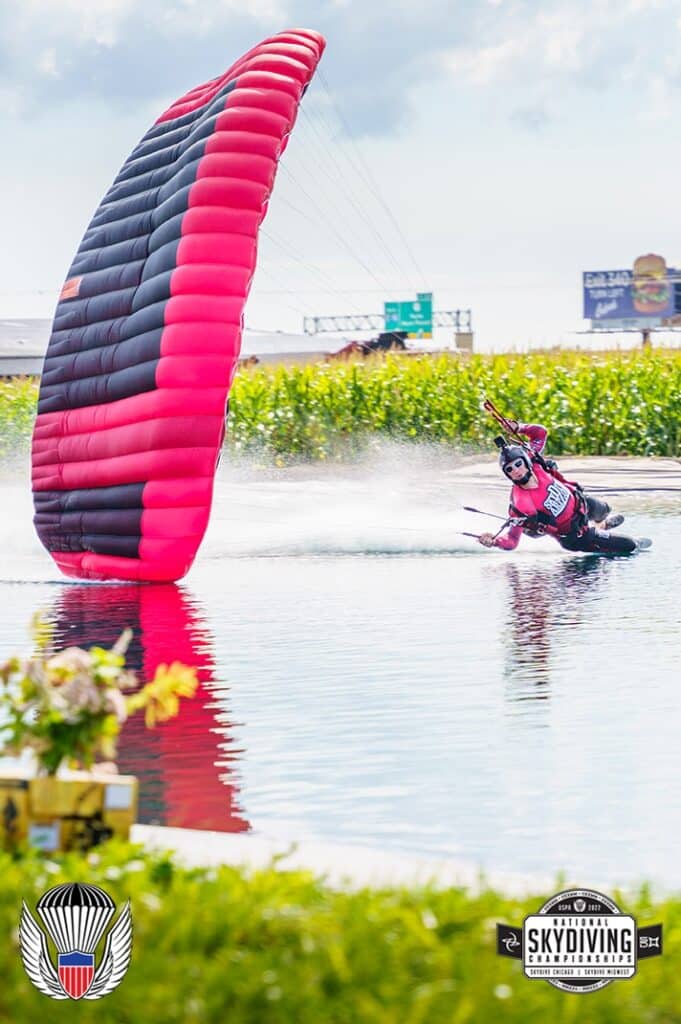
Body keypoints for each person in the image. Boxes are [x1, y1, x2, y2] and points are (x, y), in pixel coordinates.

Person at [477, 422, 648, 555]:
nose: (516, 471)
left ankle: (602, 524)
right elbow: (512, 540)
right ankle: (601, 532)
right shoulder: (520, 503)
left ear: (526, 461)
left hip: (582, 504)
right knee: (630, 546)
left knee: (605, 509)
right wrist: (495, 541)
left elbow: (540, 433)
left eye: (518, 464)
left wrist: (519, 427)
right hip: (576, 536)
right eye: (509, 469)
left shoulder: (534, 461)